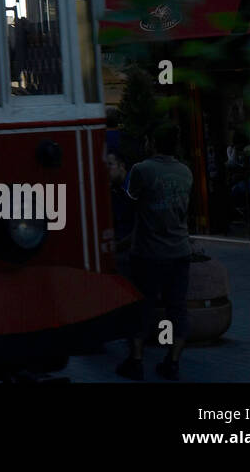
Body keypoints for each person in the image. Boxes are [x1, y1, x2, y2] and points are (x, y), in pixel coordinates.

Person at [115, 125, 193, 381]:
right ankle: (173, 362)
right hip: (180, 250)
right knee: (177, 308)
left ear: (152, 142)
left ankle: (135, 360)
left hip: (148, 251)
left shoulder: (142, 169)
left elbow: (130, 200)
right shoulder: (186, 172)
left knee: (141, 307)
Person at [105, 147, 135, 276]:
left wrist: (116, 246)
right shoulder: (113, 191)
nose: (106, 169)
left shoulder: (133, 189)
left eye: (110, 165)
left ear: (121, 165)